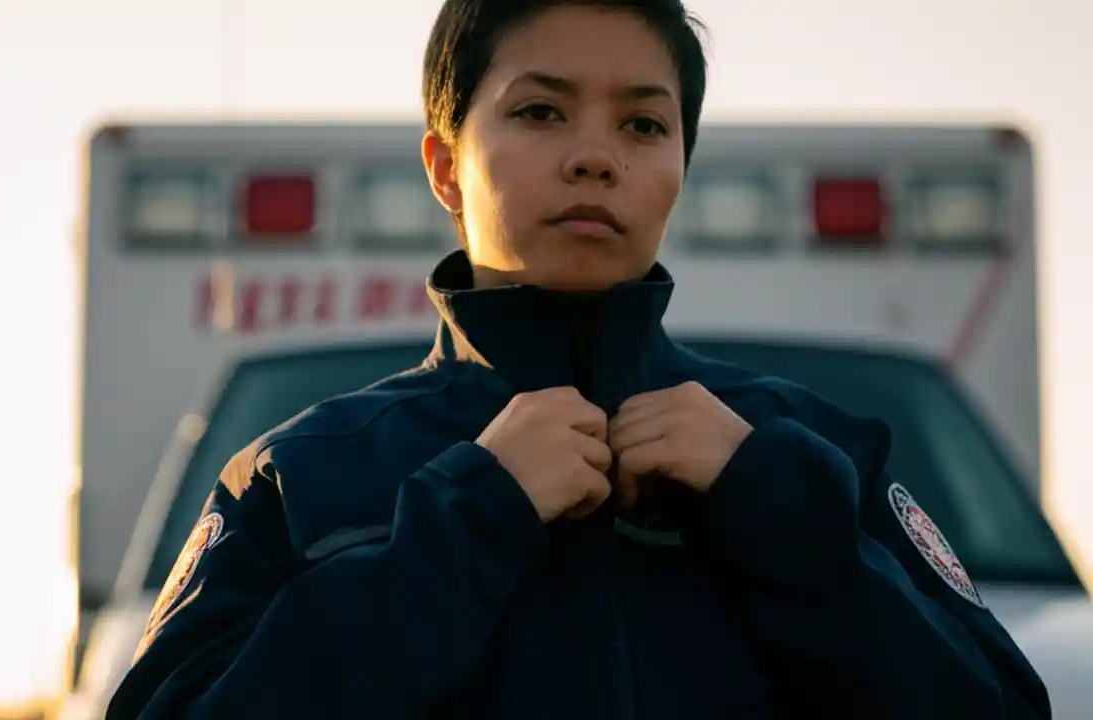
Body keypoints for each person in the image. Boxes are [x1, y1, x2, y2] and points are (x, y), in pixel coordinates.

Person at [107, 1, 1051, 717]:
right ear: (444, 165)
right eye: (541, 112)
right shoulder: (302, 477)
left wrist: (772, 501)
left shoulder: (815, 456)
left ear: (682, 163)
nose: (597, 156)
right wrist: (469, 517)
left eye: (644, 124)